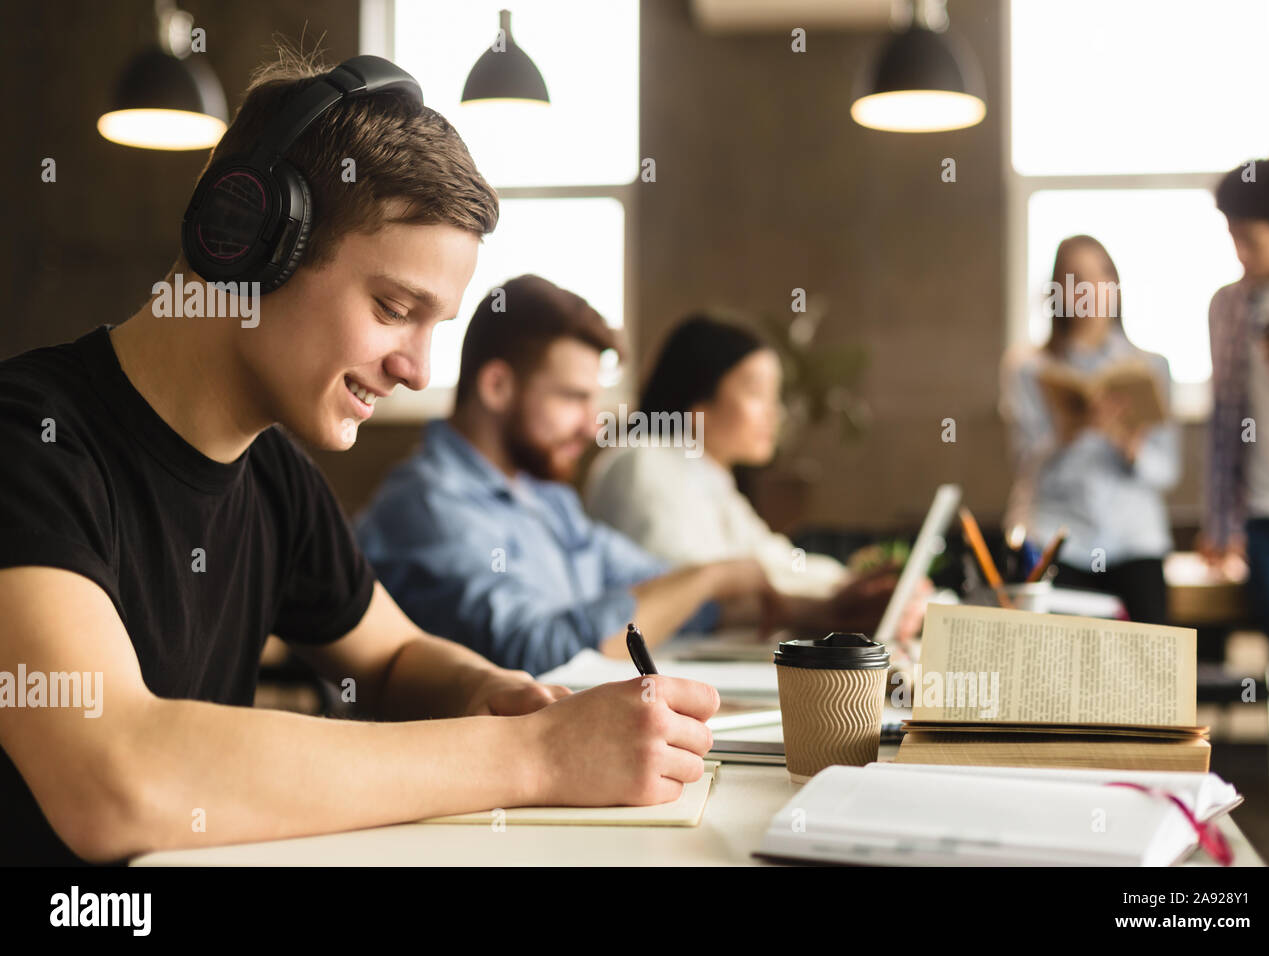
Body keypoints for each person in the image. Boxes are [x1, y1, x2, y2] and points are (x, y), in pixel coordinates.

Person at [0, 54, 719, 866]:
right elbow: (115, 778)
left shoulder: (273, 477)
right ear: (245, 241)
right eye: (392, 309)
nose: (415, 368)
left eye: (433, 327)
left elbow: (395, 656)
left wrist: (498, 695)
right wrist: (540, 755)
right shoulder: (28, 442)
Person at [354, 278, 804, 676]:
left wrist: (823, 614)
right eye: (573, 398)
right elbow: (540, 656)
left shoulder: (549, 500)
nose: (592, 426)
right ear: (497, 386)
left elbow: (668, 596)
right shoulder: (428, 504)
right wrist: (709, 577)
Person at [583, 314, 930, 647]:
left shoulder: (709, 476)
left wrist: (847, 584)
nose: (774, 412)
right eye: (756, 392)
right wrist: (832, 598)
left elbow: (771, 558)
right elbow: (685, 581)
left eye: (774, 396)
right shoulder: (644, 462)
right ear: (699, 398)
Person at [1000, 235, 1180, 624]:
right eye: (1075, 279)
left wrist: (1130, 447)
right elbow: (1022, 463)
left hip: (1135, 540)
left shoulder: (1150, 367)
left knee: (1150, 662)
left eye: (1100, 276)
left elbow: (1167, 470)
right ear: (1058, 291)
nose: (1089, 290)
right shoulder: (1029, 369)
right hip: (1059, 537)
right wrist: (1068, 433)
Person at [1202, 157, 1269, 709]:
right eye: (1231, 237)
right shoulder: (1230, 307)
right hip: (1267, 520)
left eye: (1250, 239)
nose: (1240, 254)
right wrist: (1219, 524)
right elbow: (1222, 424)